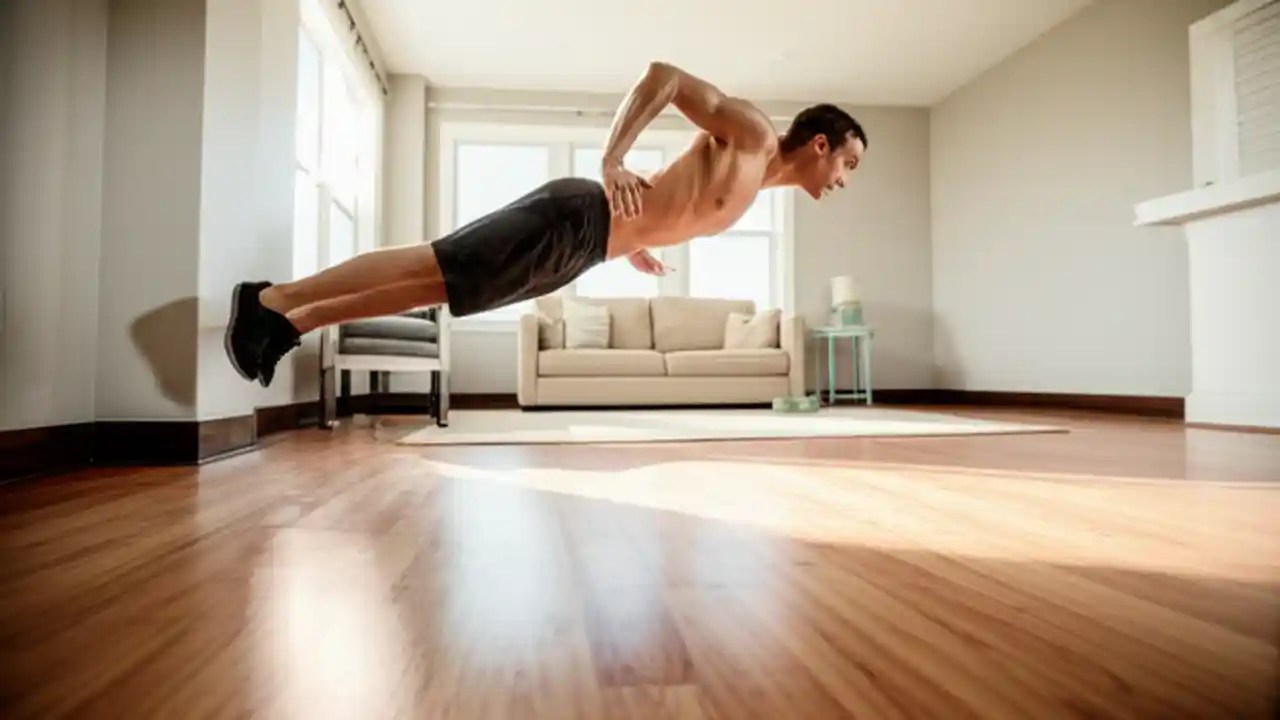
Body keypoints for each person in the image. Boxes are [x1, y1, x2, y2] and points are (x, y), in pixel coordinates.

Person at [224, 61, 867, 387]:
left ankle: (293, 322)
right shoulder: (753, 135)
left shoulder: (756, 188)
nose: (844, 180)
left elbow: (674, 202)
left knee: (437, 291)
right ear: (820, 144)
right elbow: (663, 76)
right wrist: (613, 159)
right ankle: (270, 300)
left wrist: (634, 244)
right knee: (432, 262)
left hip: (590, 246)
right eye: (848, 162)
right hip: (575, 216)